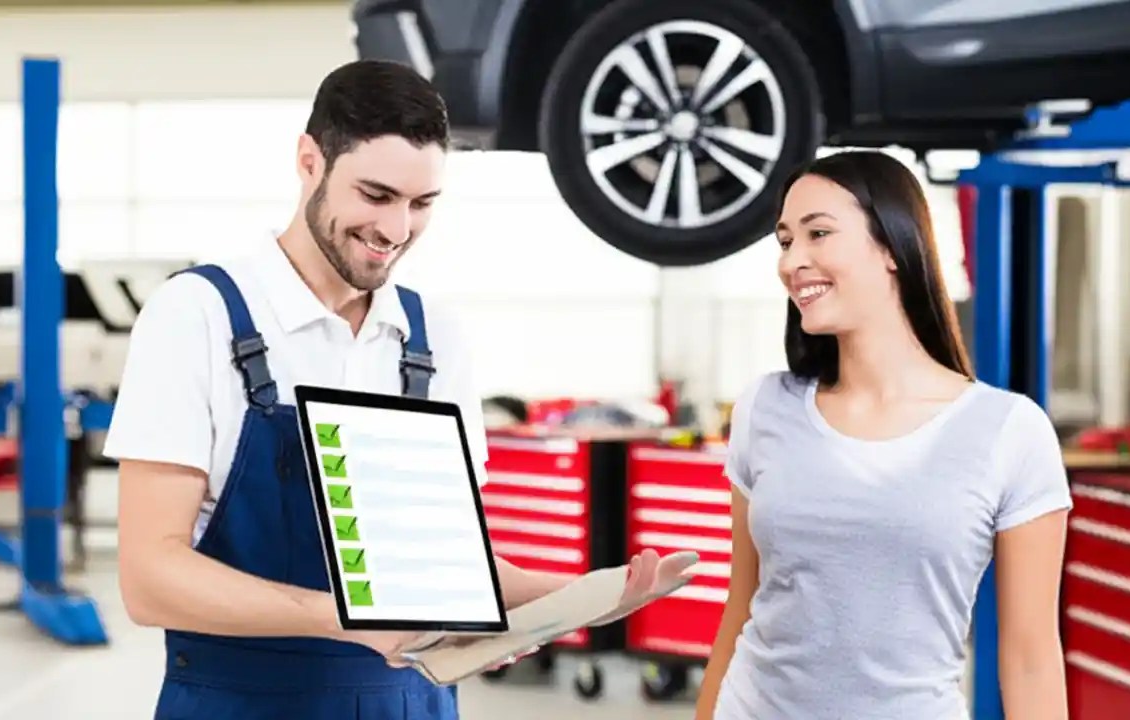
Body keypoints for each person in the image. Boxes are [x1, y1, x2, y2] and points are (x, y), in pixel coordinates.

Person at [104, 59, 690, 720]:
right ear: (309, 162)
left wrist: (582, 596)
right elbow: (150, 579)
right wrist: (345, 622)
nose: (397, 229)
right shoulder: (198, 315)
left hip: (411, 702)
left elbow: (450, 567)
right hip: (242, 701)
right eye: (375, 195)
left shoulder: (433, 337)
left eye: (422, 203)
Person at [694, 151, 1071, 719]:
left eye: (818, 233)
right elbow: (742, 607)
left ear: (892, 246)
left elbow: (1031, 659)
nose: (793, 261)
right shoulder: (766, 408)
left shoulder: (1008, 432)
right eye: (785, 240)